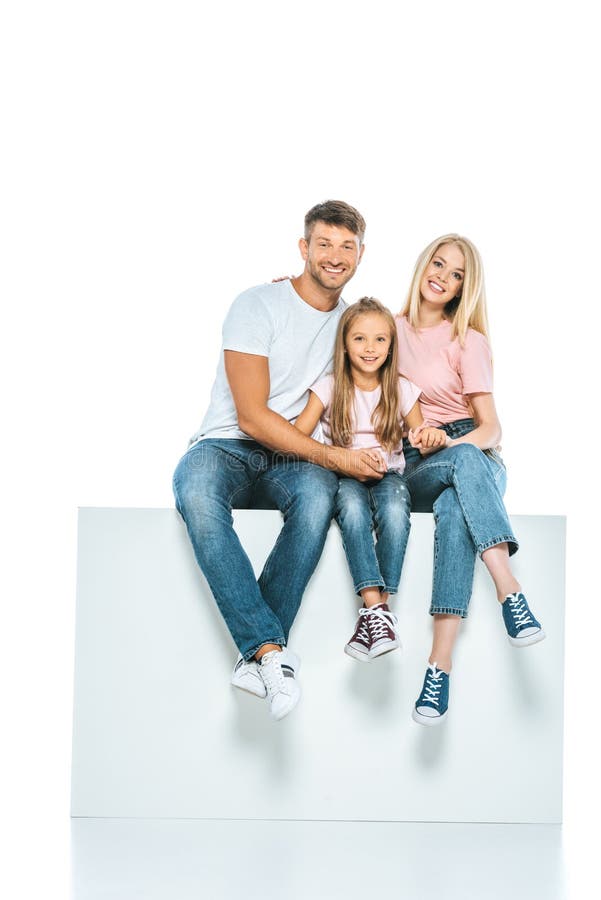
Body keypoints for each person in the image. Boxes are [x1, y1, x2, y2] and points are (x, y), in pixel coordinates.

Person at [172, 200, 385, 722]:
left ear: (361, 253)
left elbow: (398, 344)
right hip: (227, 445)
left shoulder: (351, 324)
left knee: (318, 496)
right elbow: (250, 416)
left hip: (291, 460)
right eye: (325, 243)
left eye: (347, 246)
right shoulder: (257, 304)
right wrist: (336, 455)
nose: (335, 256)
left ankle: (257, 656)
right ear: (304, 248)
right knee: (196, 493)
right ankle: (270, 652)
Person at [396, 234, 546, 726]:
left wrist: (454, 443)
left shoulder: (468, 340)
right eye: (438, 264)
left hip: (474, 451)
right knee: (456, 474)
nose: (442, 276)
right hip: (419, 458)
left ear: (464, 288)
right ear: (423, 265)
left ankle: (438, 669)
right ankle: (510, 589)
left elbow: (491, 428)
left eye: (456, 274)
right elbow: (342, 336)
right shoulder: (388, 330)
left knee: (454, 509)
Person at [294, 297, 446, 662]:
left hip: (388, 475)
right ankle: (374, 606)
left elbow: (418, 434)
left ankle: (378, 614)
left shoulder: (401, 388)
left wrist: (430, 437)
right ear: (344, 343)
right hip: (344, 474)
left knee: (396, 510)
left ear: (392, 345)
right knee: (351, 510)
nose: (370, 348)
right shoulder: (329, 386)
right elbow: (298, 434)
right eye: (360, 339)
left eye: (380, 339)